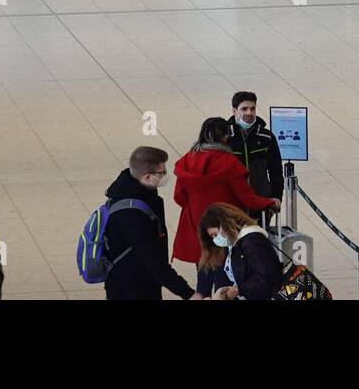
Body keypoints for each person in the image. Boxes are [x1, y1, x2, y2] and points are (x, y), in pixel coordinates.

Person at [172, 117, 279, 269]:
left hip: (196, 223)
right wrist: (270, 202)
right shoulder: (229, 162)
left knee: (203, 272)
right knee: (224, 274)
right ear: (223, 137)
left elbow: (179, 197)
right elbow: (247, 198)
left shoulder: (187, 160)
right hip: (223, 225)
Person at [102, 146, 202, 301]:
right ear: (147, 176)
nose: (164, 175)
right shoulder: (132, 214)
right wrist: (187, 293)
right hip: (131, 287)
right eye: (161, 173)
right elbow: (152, 260)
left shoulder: (137, 190)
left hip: (140, 280)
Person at [199, 203, 283, 301]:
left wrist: (238, 291)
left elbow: (267, 277)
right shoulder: (236, 243)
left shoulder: (251, 242)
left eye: (214, 234)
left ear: (224, 225)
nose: (215, 239)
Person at [227, 91, 285, 207]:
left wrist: (276, 196)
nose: (249, 113)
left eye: (252, 108)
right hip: (232, 204)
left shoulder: (266, 137)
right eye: (244, 109)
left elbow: (276, 170)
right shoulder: (226, 137)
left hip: (260, 202)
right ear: (234, 111)